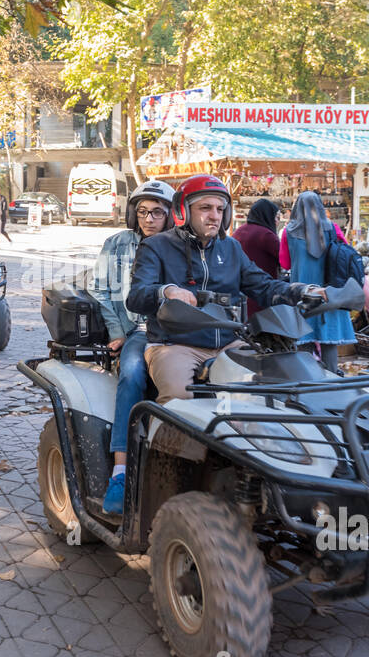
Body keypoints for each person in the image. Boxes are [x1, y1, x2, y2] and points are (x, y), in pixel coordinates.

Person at [126, 175, 323, 409]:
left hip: (230, 343)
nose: (215, 216)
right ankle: (169, 446)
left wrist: (302, 290)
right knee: (179, 399)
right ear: (183, 212)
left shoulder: (230, 247)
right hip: (174, 345)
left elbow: (264, 286)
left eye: (220, 209)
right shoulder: (156, 246)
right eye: (205, 208)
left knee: (269, 394)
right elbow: (136, 297)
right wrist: (166, 291)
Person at [88, 180, 175, 514]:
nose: (149, 219)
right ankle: (120, 472)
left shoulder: (180, 246)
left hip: (178, 332)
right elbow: (100, 289)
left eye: (156, 212)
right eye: (142, 212)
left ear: (171, 215)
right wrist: (118, 330)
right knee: (132, 373)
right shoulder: (117, 244)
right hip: (137, 330)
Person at [279, 191, 354, 371]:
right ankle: (331, 380)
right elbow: (345, 253)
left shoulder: (288, 231)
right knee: (329, 341)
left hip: (302, 293)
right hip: (329, 291)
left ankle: (310, 380)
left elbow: (285, 263)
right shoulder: (333, 228)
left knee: (305, 341)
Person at [231, 197, 281, 315]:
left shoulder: (239, 231)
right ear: (268, 216)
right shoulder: (266, 235)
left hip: (240, 290)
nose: (277, 221)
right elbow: (284, 259)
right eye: (276, 217)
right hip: (262, 289)